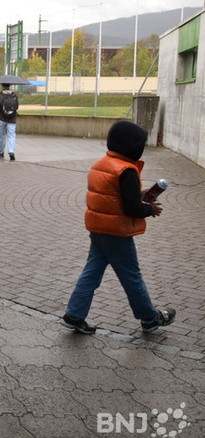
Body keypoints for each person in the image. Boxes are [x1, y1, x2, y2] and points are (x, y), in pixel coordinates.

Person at [61, 121, 176, 335]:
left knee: (91, 273)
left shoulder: (101, 164)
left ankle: (74, 315)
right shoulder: (126, 170)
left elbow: (112, 196)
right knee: (131, 276)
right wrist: (150, 209)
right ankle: (150, 318)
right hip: (116, 233)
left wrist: (139, 194)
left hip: (98, 229)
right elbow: (132, 207)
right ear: (132, 146)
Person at [0, 84, 18, 161]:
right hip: (12, 119)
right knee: (12, 135)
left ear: (2, 86)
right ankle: (11, 151)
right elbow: (16, 106)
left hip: (2, 119)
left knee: (2, 135)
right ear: (9, 86)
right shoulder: (14, 95)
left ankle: (1, 151)